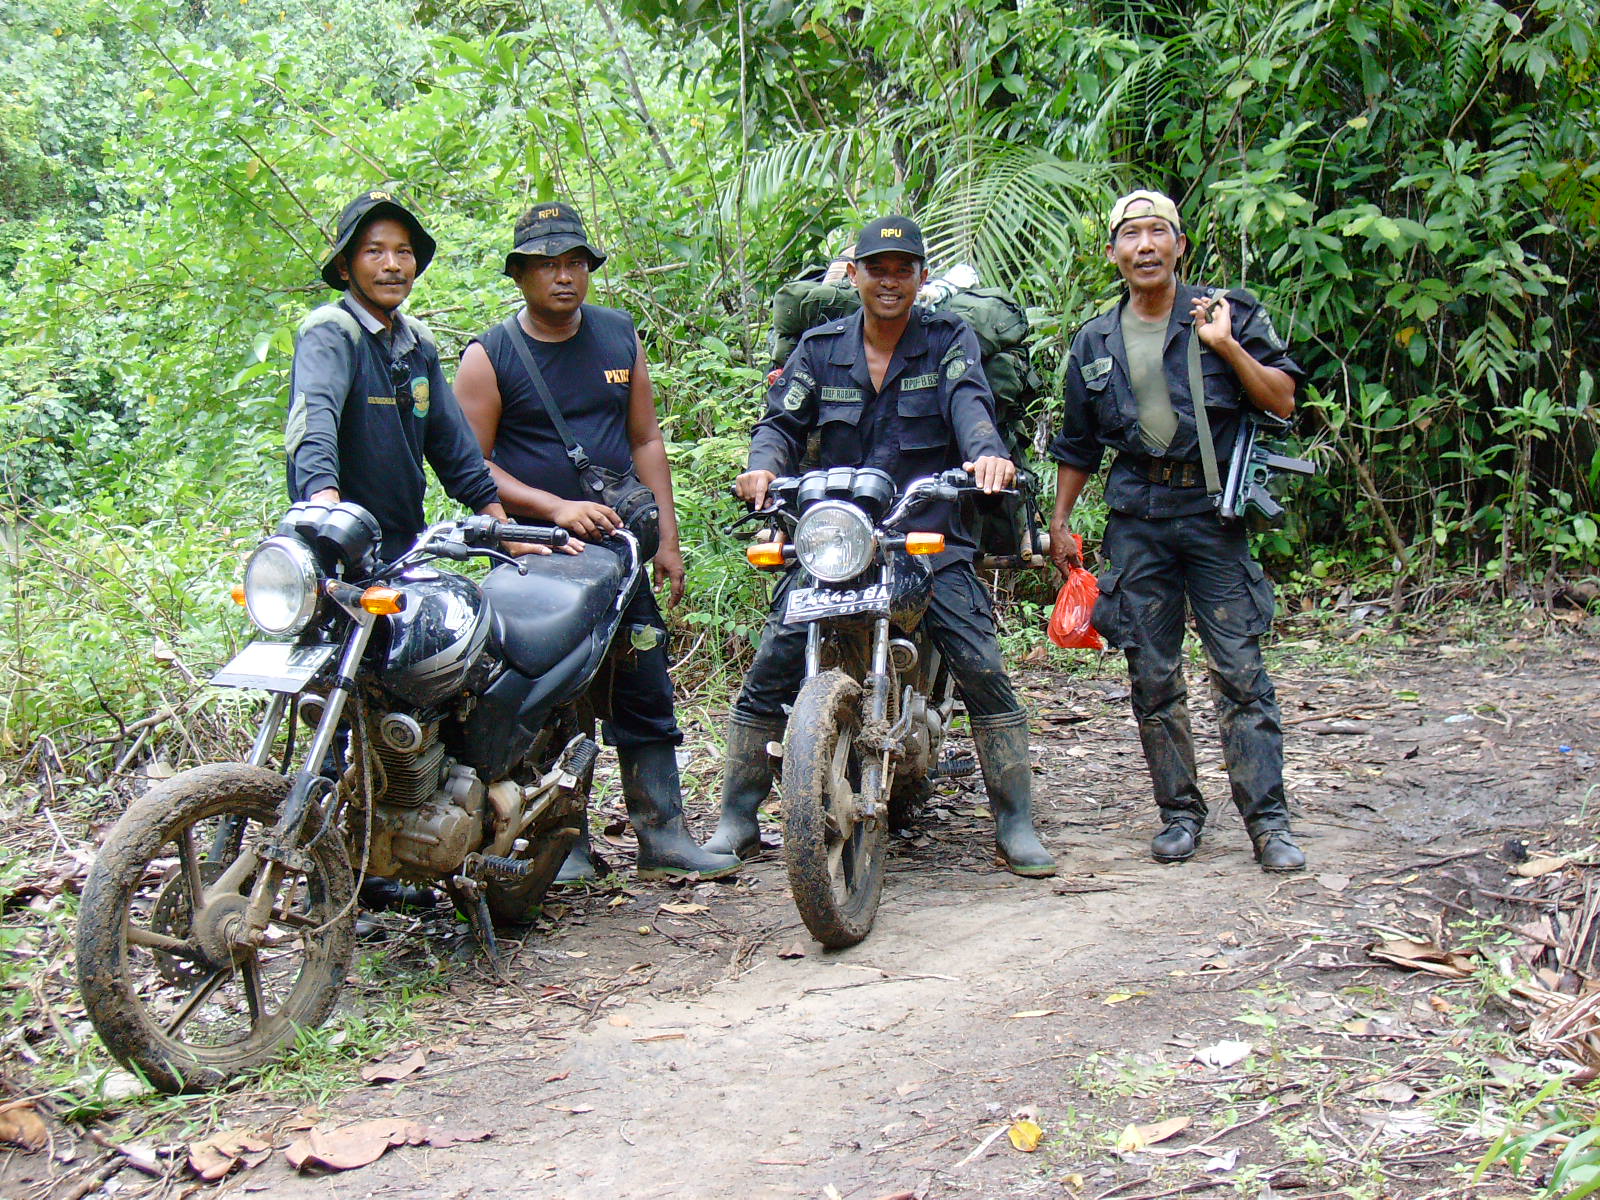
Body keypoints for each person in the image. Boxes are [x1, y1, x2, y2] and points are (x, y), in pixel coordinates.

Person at [704, 215, 1057, 878]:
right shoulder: (820, 346)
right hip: (839, 532)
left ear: (921, 277)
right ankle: (738, 816)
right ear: (855, 274)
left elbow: (971, 405)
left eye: (903, 268)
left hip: (926, 527)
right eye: (877, 268)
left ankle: (1015, 820)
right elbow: (781, 422)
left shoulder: (947, 339)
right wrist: (761, 468)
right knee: (774, 657)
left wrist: (987, 457)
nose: (890, 280)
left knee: (979, 659)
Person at [455, 202, 741, 883]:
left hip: (620, 558)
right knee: (553, 696)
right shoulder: (490, 355)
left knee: (644, 682)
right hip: (536, 560)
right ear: (521, 276)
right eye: (547, 265)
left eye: (575, 262)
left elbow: (645, 438)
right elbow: (472, 464)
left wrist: (667, 538)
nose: (564, 277)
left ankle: (662, 833)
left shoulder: (618, 337)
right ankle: (564, 842)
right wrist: (555, 507)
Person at [285, 188, 539, 921]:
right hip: (335, 548)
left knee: (411, 700)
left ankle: (395, 852)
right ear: (346, 265)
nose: (391, 264)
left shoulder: (415, 344)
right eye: (374, 251)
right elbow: (315, 425)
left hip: (401, 549)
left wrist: (495, 523)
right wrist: (322, 503)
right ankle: (325, 883)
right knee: (333, 711)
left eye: (402, 251)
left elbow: (454, 448)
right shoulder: (331, 334)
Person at [1047, 189, 1307, 873]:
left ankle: (1269, 824)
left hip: (1212, 516)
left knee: (1241, 672)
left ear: (1179, 245)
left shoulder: (1226, 313)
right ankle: (1180, 816)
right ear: (1113, 254)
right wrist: (1061, 519)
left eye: (1158, 232)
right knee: (1152, 674)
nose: (1145, 246)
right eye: (1130, 235)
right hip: (1139, 520)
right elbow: (1078, 445)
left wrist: (1225, 347)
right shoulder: (1094, 341)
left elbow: (1282, 399)